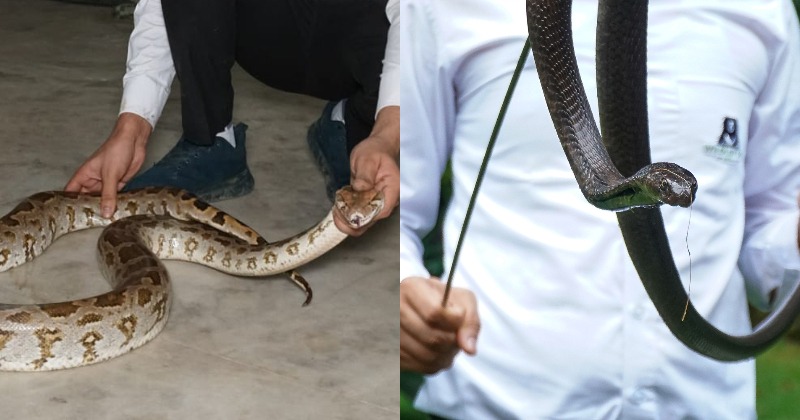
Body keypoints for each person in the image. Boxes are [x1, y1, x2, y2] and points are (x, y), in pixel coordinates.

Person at [400, 0, 800, 418]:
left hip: (702, 401)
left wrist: (793, 240)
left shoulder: (765, 12)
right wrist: (406, 288)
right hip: (499, 399)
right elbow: (397, 200)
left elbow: (771, 222)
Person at [65, 0, 399, 236]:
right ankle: (211, 138)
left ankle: (352, 125)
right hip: (267, 35)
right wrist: (132, 126)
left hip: (363, 42)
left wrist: (386, 135)